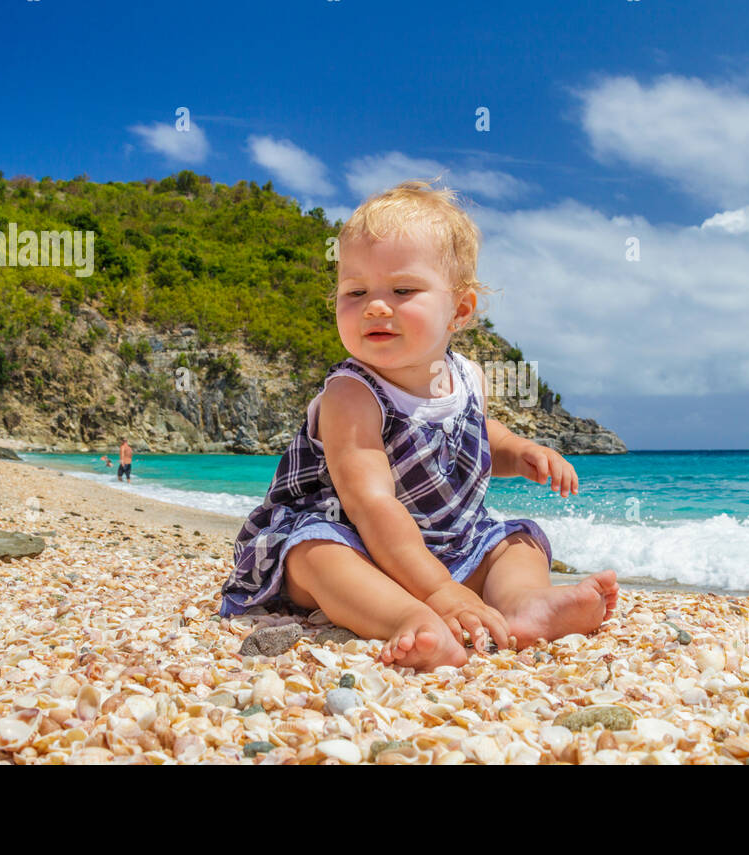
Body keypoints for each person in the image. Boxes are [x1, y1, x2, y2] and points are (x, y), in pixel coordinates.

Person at [221, 180, 618, 670]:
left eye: (402, 289)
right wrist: (436, 591)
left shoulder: (468, 376)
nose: (375, 305)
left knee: (517, 542)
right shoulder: (351, 393)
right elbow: (371, 503)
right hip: (356, 542)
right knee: (317, 554)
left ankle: (525, 605)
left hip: (449, 545)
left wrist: (520, 451)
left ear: (461, 310)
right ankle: (408, 618)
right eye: (355, 291)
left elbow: (476, 437)